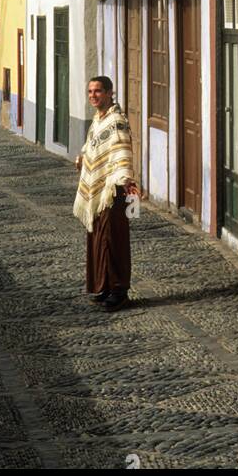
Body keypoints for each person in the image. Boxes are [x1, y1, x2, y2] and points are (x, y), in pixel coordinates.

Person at [73, 75, 139, 312]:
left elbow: (122, 152)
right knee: (99, 239)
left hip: (113, 191)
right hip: (98, 191)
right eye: (90, 91)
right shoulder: (98, 120)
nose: (93, 96)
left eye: (98, 91)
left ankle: (119, 290)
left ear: (110, 93)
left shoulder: (116, 122)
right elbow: (93, 147)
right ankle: (104, 286)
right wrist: (83, 158)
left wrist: (122, 181)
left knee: (113, 240)